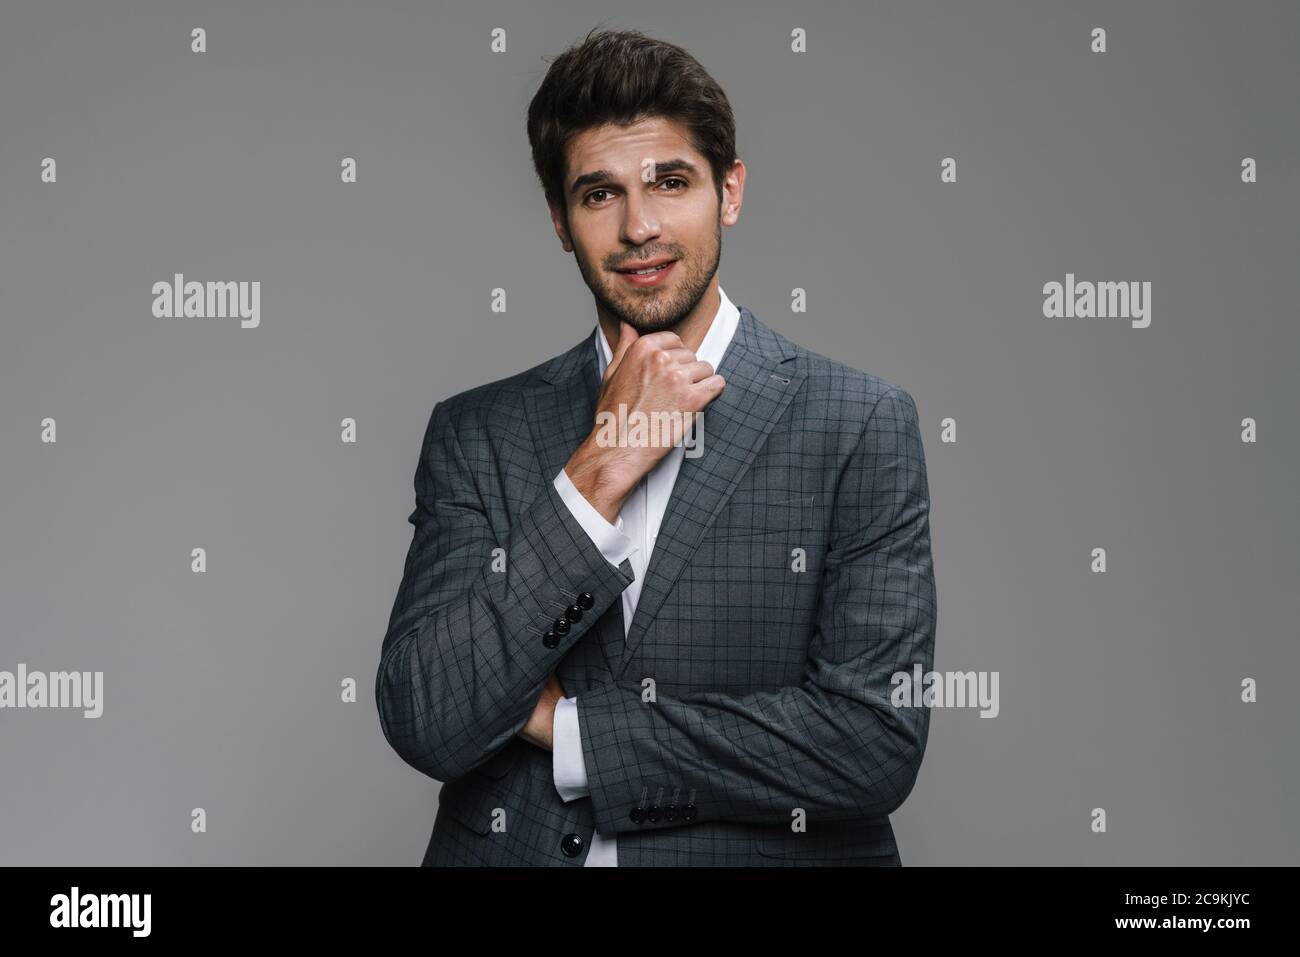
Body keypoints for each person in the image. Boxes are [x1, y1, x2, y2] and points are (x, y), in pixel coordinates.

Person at [376, 27, 937, 866]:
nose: (640, 226)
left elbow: (870, 740)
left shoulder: (857, 422)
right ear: (561, 222)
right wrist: (598, 470)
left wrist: (571, 730)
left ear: (731, 190)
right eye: (599, 194)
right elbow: (427, 712)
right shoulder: (476, 432)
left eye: (670, 182)